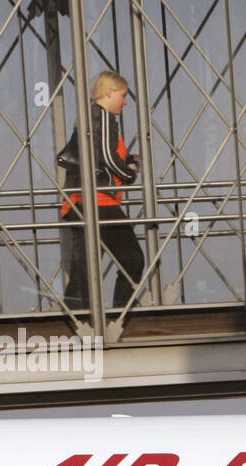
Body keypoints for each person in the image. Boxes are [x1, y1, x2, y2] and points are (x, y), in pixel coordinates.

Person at [59, 70, 145, 311]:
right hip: (99, 203)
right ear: (109, 92)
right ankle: (122, 313)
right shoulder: (104, 116)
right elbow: (107, 157)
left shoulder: (86, 119)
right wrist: (129, 174)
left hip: (77, 203)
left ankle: (76, 319)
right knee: (133, 260)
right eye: (123, 95)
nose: (125, 101)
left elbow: (97, 156)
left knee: (85, 268)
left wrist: (125, 160)